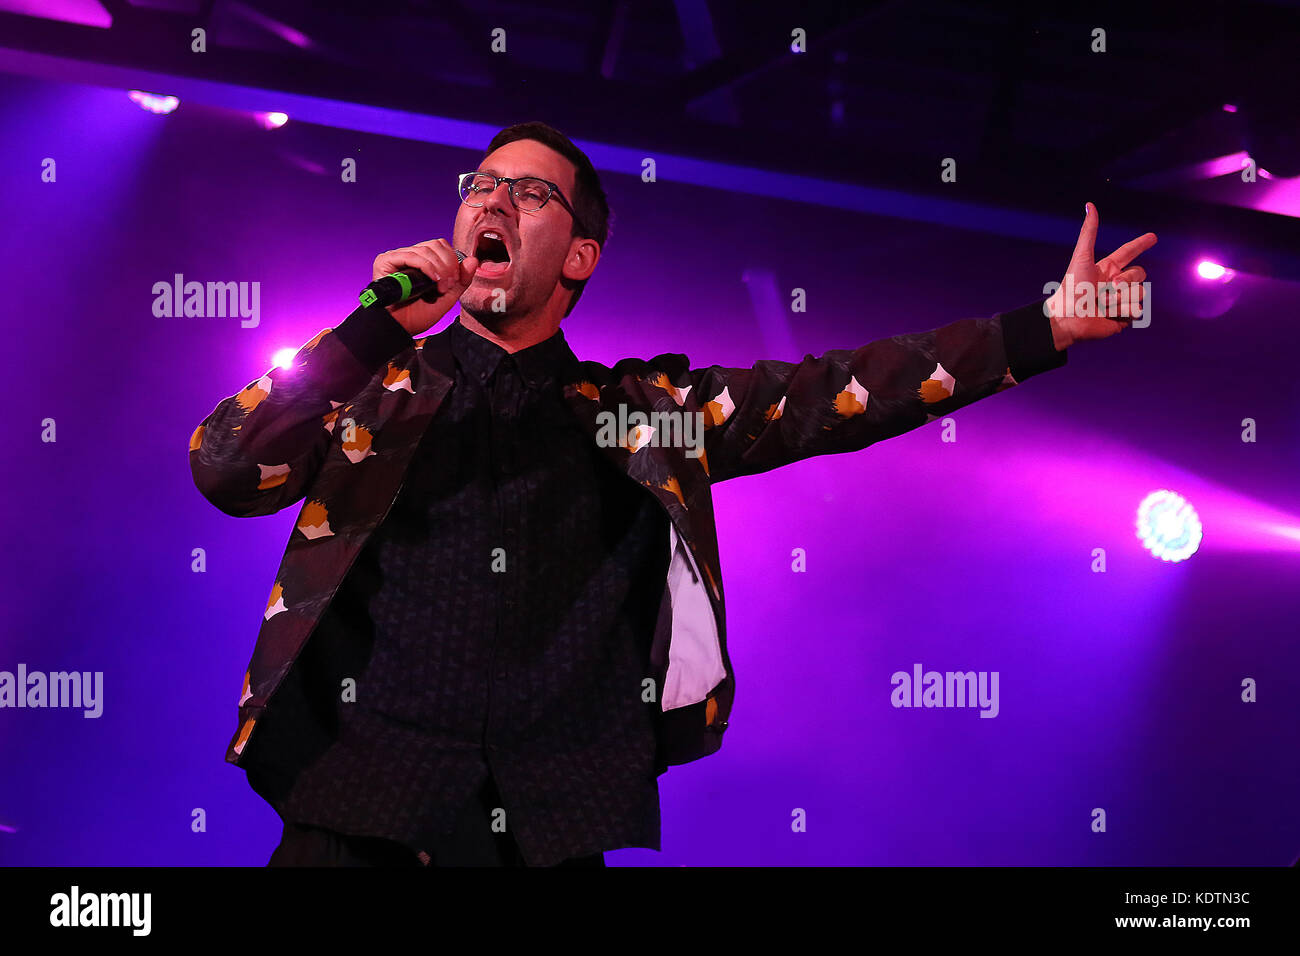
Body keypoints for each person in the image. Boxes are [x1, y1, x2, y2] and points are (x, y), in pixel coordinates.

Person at [189, 120, 1155, 867]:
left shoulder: (621, 421)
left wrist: (1046, 329)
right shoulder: (379, 388)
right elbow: (228, 467)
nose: (493, 201)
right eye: (481, 185)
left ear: (577, 257)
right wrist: (372, 330)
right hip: (351, 809)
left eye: (528, 194)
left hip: (543, 824)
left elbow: (828, 397)